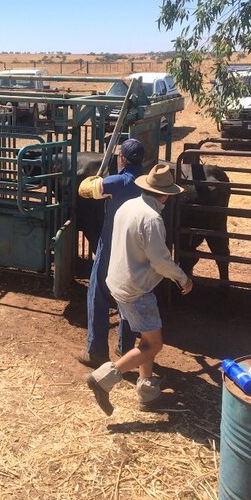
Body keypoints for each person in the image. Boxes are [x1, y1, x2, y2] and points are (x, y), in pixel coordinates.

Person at [86, 164, 193, 415]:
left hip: (119, 281)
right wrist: (183, 278)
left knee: (146, 339)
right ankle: (103, 379)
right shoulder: (152, 219)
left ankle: (147, 390)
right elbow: (160, 261)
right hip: (137, 290)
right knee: (154, 344)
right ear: (165, 195)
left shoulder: (128, 206)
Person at [76, 138, 145, 368]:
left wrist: (96, 180)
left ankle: (96, 351)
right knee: (128, 294)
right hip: (137, 248)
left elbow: (84, 190)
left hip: (113, 245)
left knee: (98, 292)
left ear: (122, 158)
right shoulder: (147, 182)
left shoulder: (118, 182)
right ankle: (126, 347)